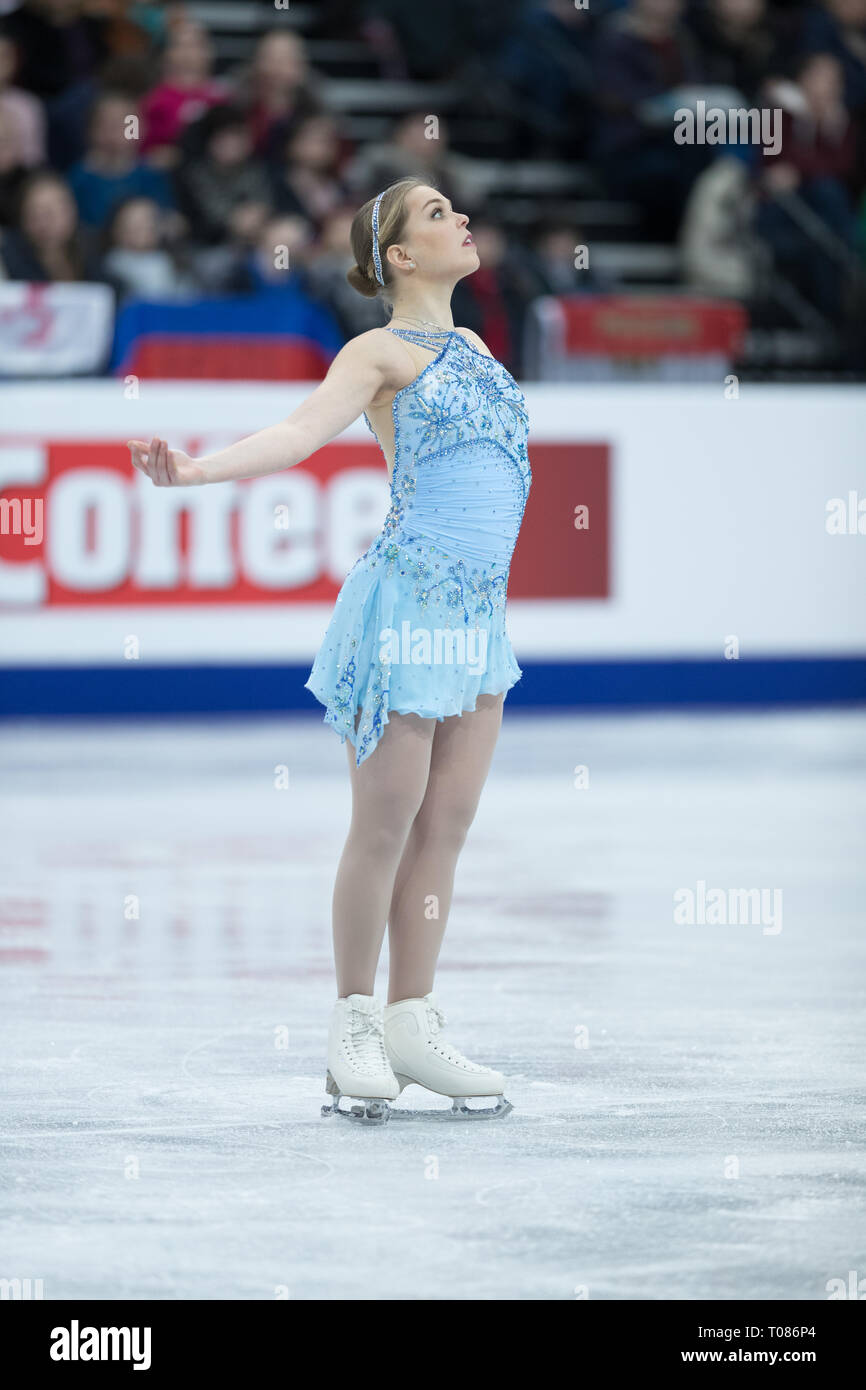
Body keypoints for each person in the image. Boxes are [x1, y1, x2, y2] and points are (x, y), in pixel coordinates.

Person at [128, 177, 531, 1125]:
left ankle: (412, 1021)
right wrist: (193, 471)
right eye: (437, 215)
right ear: (398, 256)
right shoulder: (378, 350)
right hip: (407, 607)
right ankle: (354, 1020)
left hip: (478, 618)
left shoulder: (474, 346)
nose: (460, 220)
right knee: (387, 824)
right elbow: (302, 432)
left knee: (448, 826)